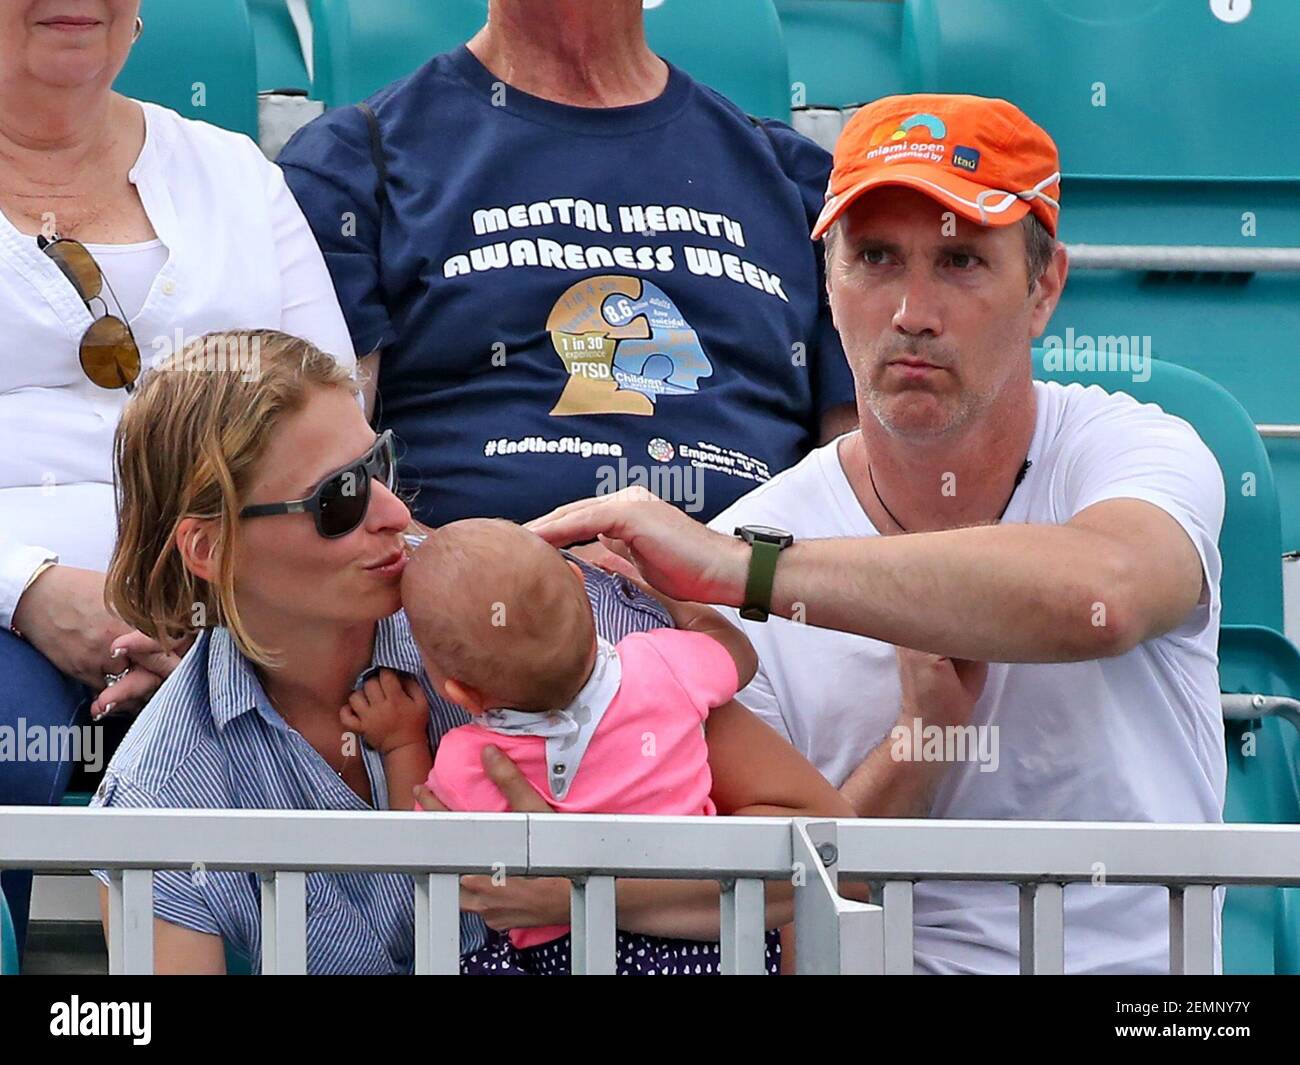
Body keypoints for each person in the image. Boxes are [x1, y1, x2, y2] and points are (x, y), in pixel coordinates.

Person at [529, 94, 1227, 975]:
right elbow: (779, 917)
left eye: (961, 260)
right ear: (828, 282)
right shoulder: (741, 556)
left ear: (1044, 288)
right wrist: (916, 745)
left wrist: (746, 571)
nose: (912, 311)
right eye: (875, 258)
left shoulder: (1130, 447)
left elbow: (1106, 595)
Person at [92, 330, 857, 975]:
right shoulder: (159, 791)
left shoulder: (527, 610)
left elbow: (827, 847)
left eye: (378, 465)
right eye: (339, 499)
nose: (394, 512)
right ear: (209, 547)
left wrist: (586, 887)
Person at [0, 0, 353, 959]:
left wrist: (226, 612)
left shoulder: (232, 173)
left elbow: (329, 430)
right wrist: (28, 588)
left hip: (247, 601)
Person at [277, 0, 856, 530]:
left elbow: (866, 487)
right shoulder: (353, 162)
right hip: (467, 593)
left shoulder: (796, 179)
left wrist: (730, 576)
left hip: (755, 591)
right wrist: (509, 581)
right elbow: (329, 494)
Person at [345, 518, 849, 974]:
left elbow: (423, 845)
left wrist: (401, 743)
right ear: (581, 585)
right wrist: (670, 597)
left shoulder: (472, 758)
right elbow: (738, 656)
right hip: (714, 945)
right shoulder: (664, 665)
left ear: (458, 692)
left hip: (567, 953)